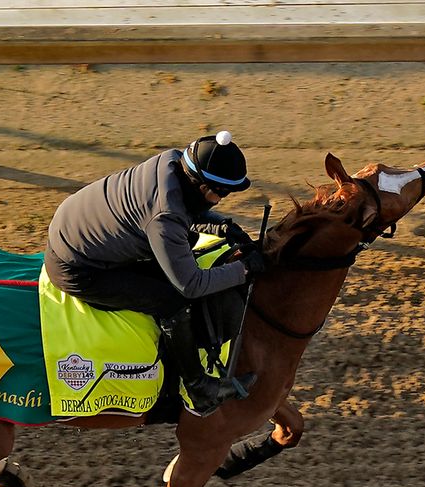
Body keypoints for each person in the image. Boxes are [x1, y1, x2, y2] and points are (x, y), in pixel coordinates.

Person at [45, 130, 267, 414]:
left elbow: (183, 210)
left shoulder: (172, 162)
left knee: (185, 248)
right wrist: (244, 269)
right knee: (171, 301)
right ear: (203, 187)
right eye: (222, 194)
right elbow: (190, 284)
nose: (221, 201)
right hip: (77, 270)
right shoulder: (165, 216)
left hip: (77, 231)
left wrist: (221, 226)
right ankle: (198, 387)